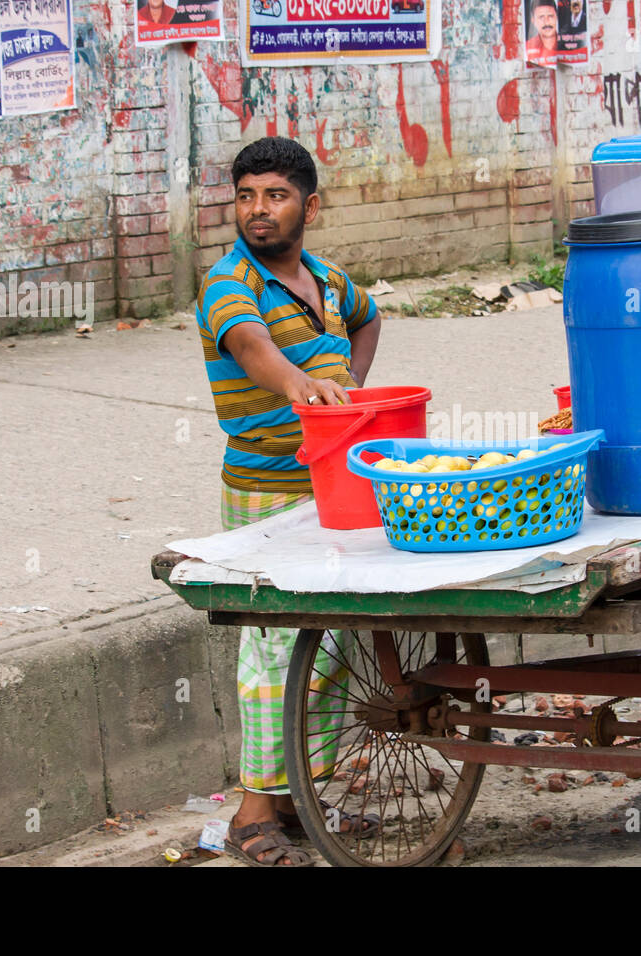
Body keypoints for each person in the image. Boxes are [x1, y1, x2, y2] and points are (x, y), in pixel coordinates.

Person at [195, 137, 382, 866]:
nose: (256, 210)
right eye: (245, 196)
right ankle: (251, 817)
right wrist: (299, 387)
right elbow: (249, 347)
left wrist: (355, 390)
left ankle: (303, 797)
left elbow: (368, 320)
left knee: (330, 643)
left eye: (273, 196)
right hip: (264, 490)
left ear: (310, 205)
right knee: (274, 649)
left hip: (331, 484)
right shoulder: (227, 283)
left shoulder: (328, 284)